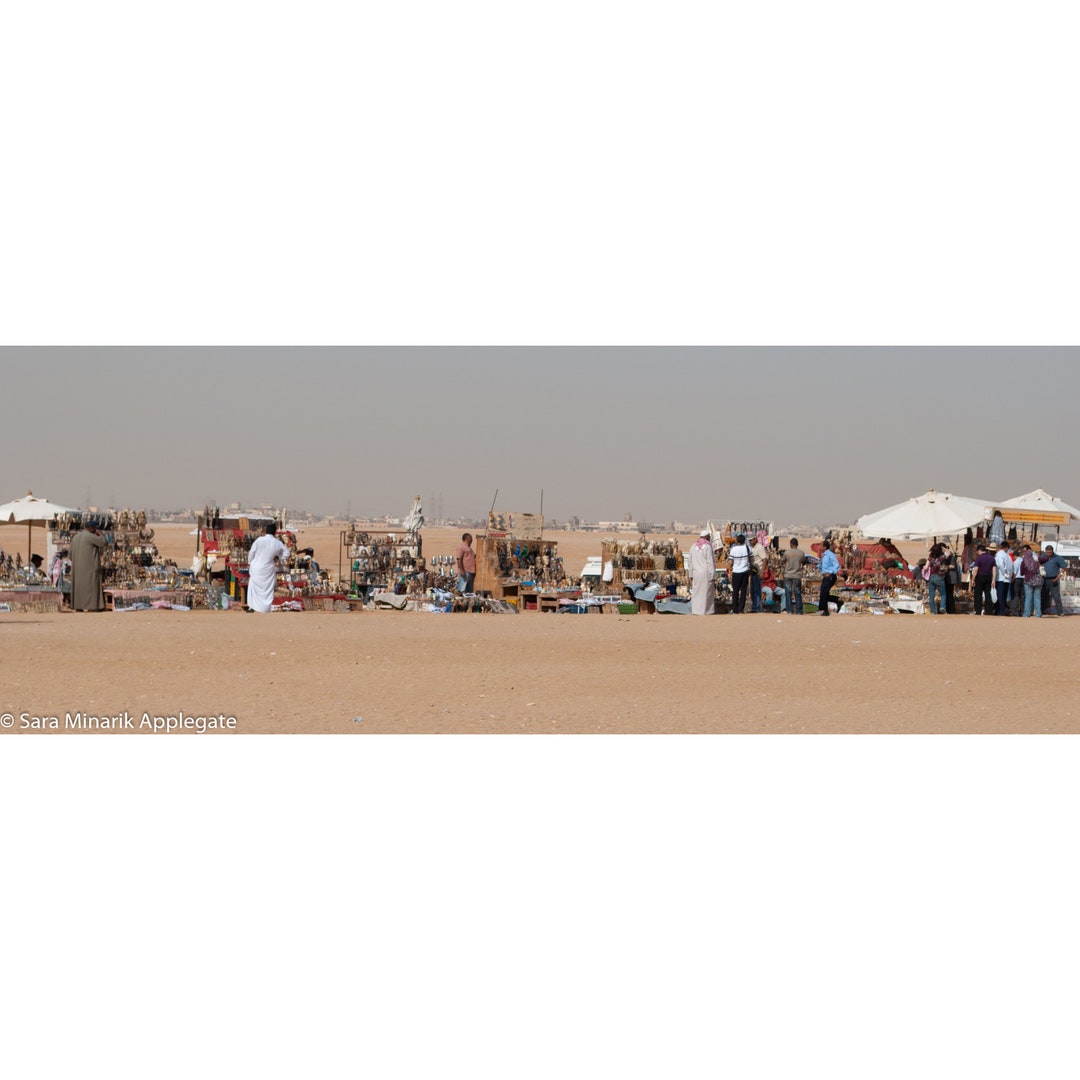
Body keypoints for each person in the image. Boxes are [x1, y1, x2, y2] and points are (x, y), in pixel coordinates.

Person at [246, 522, 290, 613]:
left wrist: (250, 562)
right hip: (268, 568)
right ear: (274, 533)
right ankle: (265, 607)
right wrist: (280, 558)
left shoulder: (259, 540)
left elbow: (252, 552)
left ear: (265, 531)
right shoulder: (277, 543)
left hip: (256, 567)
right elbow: (287, 553)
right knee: (267, 589)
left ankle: (251, 607)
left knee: (253, 587)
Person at [69, 524, 108, 611]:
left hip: (77, 569)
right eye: (95, 529)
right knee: (91, 587)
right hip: (90, 567)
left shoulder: (75, 537)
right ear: (91, 528)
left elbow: (70, 555)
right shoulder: (90, 536)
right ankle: (92, 607)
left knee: (79, 588)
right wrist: (101, 535)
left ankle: (78, 606)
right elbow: (104, 543)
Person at [688, 529, 716, 615]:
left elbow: (690, 562)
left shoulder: (693, 547)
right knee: (706, 593)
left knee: (697, 592)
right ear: (707, 537)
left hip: (696, 573)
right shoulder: (707, 547)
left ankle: (696, 611)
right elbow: (710, 562)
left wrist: (691, 575)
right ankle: (706, 611)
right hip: (705, 572)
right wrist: (713, 575)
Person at [782, 537, 810, 614]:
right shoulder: (801, 553)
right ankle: (799, 611)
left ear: (791, 544)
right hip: (797, 575)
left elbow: (783, 560)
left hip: (788, 574)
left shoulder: (787, 552)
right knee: (798, 593)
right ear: (797, 544)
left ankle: (789, 610)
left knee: (788, 593)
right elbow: (803, 561)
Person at [726, 533, 752, 614]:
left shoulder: (733, 549)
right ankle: (741, 609)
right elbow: (752, 560)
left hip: (736, 572)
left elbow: (730, 561)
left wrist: (730, 566)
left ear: (737, 541)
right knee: (744, 591)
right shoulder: (748, 548)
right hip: (745, 572)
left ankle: (735, 609)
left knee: (735, 591)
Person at [1039, 544, 1068, 616]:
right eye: (1047, 552)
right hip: (1044, 580)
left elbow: (1064, 568)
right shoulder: (1042, 557)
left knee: (1056, 596)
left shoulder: (1058, 558)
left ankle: (1060, 611)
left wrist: (1057, 577)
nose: (1048, 554)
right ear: (1045, 551)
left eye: (1050, 552)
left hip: (1053, 579)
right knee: (1043, 596)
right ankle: (1044, 610)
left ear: (1052, 551)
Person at [970, 543, 997, 615]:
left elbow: (976, 569)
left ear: (979, 550)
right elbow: (994, 570)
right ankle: (988, 611)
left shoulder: (979, 558)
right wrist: (993, 580)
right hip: (988, 577)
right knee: (988, 594)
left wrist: (973, 579)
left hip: (980, 577)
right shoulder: (992, 558)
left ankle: (977, 610)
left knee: (978, 595)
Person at [817, 540, 841, 616]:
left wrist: (830, 572)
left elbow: (837, 565)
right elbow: (822, 565)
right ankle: (836, 600)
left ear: (825, 547)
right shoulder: (824, 555)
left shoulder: (830, 554)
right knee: (823, 593)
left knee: (824, 593)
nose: (820, 547)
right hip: (825, 576)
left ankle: (824, 610)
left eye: (821, 546)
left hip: (830, 576)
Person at [1019, 544, 1043, 618]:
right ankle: (1038, 614)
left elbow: (1021, 572)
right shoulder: (1037, 559)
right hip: (1038, 580)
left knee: (1028, 598)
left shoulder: (1024, 562)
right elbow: (1045, 559)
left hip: (1028, 581)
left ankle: (1026, 614)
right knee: (1037, 597)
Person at [925, 543, 947, 615]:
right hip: (939, 577)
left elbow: (926, 567)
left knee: (931, 595)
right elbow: (949, 553)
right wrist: (944, 548)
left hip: (931, 577)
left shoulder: (930, 557)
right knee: (943, 593)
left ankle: (933, 611)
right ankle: (942, 607)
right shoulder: (941, 557)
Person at [748, 533, 768, 612]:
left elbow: (764, 560)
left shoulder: (760, 548)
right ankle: (754, 607)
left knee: (757, 591)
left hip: (758, 572)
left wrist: (762, 572)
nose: (750, 542)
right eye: (749, 540)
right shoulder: (751, 548)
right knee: (752, 591)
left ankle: (757, 608)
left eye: (751, 540)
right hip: (753, 572)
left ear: (755, 539)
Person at [994, 541, 1014, 616]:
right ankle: (1002, 610)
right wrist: (1009, 576)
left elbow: (1001, 565)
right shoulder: (1008, 556)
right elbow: (1011, 567)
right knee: (1004, 596)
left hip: (1001, 578)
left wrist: (1004, 573)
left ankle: (1001, 611)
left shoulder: (999, 555)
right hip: (1007, 579)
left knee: (1000, 595)